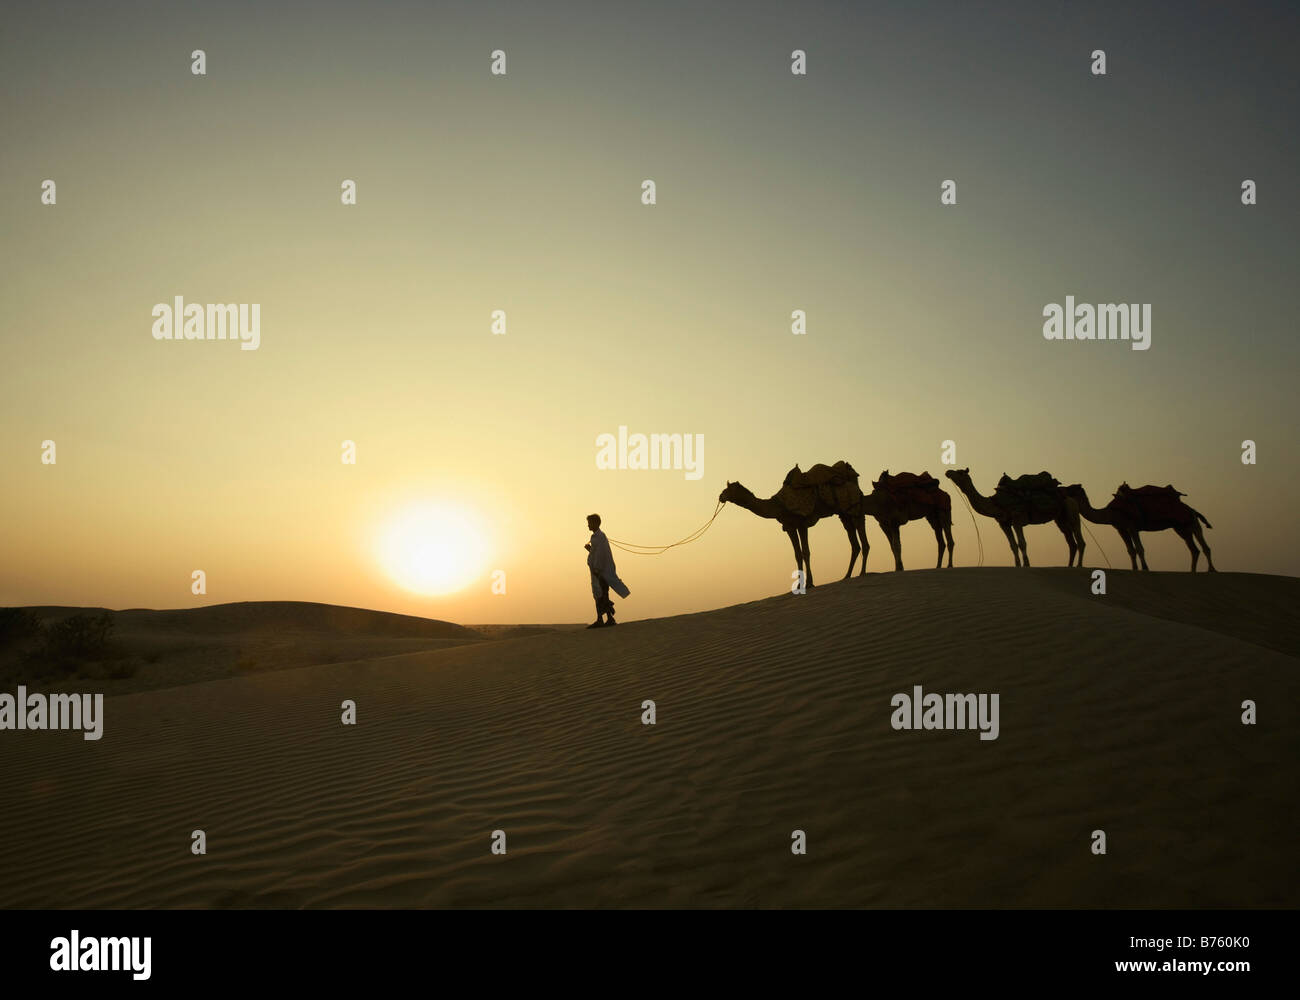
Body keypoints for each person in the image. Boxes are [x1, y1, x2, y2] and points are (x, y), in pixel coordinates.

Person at [585, 513, 629, 629]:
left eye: (589, 523)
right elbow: (596, 553)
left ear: (595, 523)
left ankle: (604, 619)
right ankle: (606, 618)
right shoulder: (596, 537)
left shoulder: (600, 537)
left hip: (601, 571)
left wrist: (597, 569)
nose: (588, 525)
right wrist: (590, 550)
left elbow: (601, 555)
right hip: (598, 571)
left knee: (602, 594)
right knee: (600, 593)